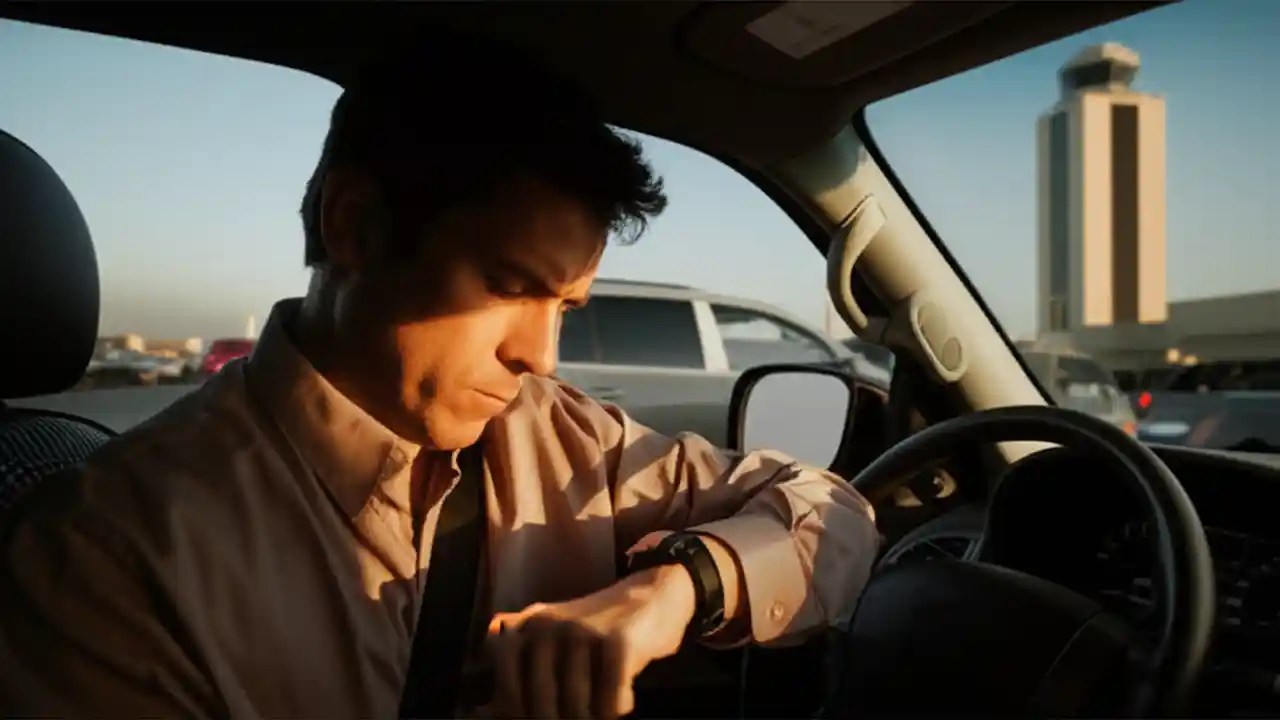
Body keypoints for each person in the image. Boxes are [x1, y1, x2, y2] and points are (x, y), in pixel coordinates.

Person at [0, 34, 881, 719]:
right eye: (508, 287)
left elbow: (832, 511)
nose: (539, 356)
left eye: (565, 307)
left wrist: (676, 584)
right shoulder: (108, 558)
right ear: (355, 225)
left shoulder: (564, 440)